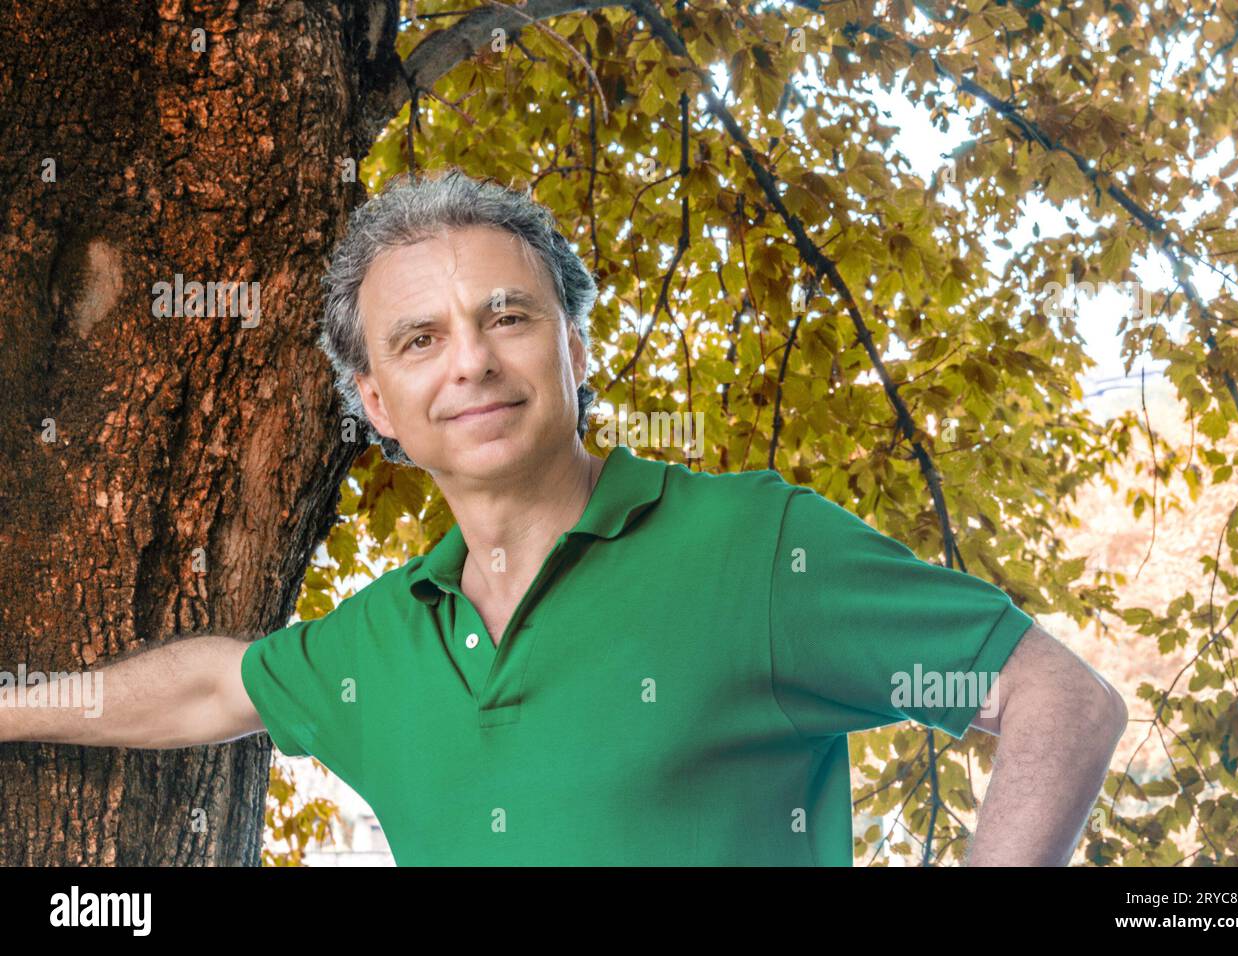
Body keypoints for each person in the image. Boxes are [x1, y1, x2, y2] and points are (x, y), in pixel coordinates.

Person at [2, 168, 1127, 866]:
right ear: (377, 405)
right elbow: (210, 685)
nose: (474, 361)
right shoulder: (379, 643)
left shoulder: (753, 544)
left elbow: (1058, 699)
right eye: (419, 338)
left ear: (573, 348)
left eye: (507, 316)